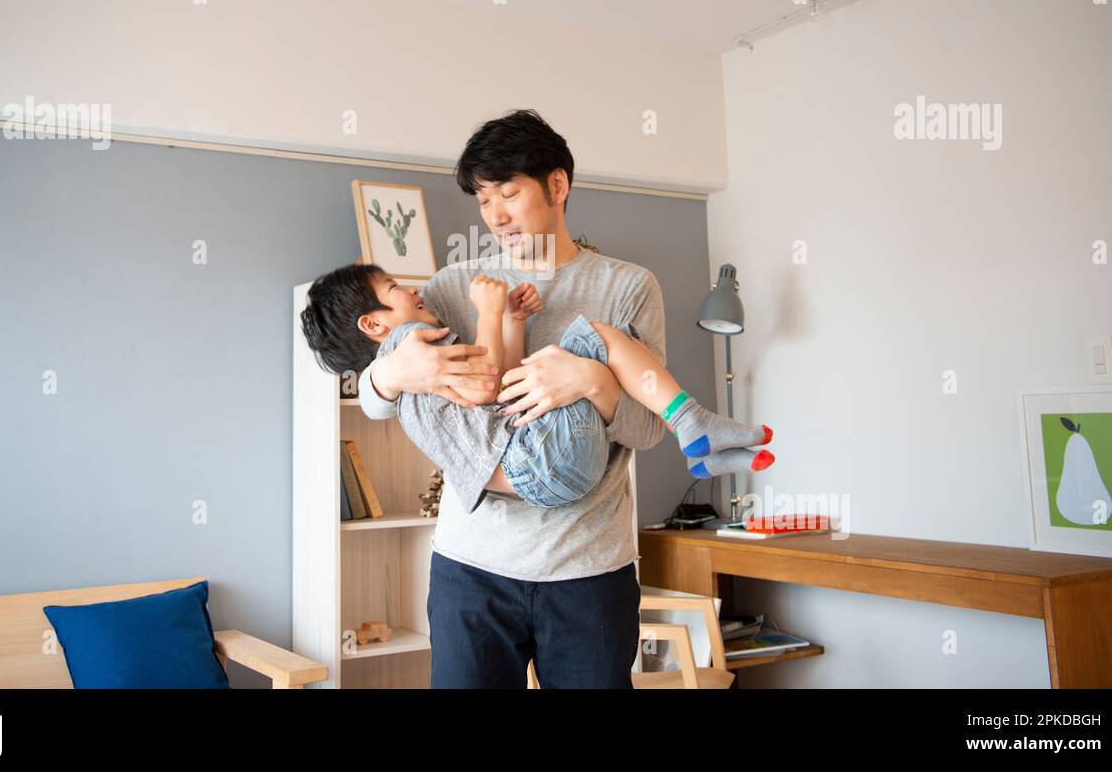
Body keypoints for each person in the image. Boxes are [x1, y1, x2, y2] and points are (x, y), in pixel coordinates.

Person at [355, 109, 727, 688]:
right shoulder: (455, 285)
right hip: (471, 570)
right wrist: (391, 372)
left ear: (557, 186)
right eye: (483, 200)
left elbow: (650, 430)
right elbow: (379, 402)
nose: (496, 216)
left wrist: (595, 384)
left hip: (588, 572)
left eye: (508, 192)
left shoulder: (627, 286)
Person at [300, 264, 774, 512]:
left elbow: (501, 388)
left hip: (544, 479)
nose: (410, 290)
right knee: (595, 334)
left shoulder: (407, 362)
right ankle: (692, 425)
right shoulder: (406, 344)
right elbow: (488, 385)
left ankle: (696, 440)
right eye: (392, 288)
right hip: (539, 459)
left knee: (586, 349)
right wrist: (487, 311)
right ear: (372, 324)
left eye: (507, 193)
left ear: (556, 186)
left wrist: (511, 319)